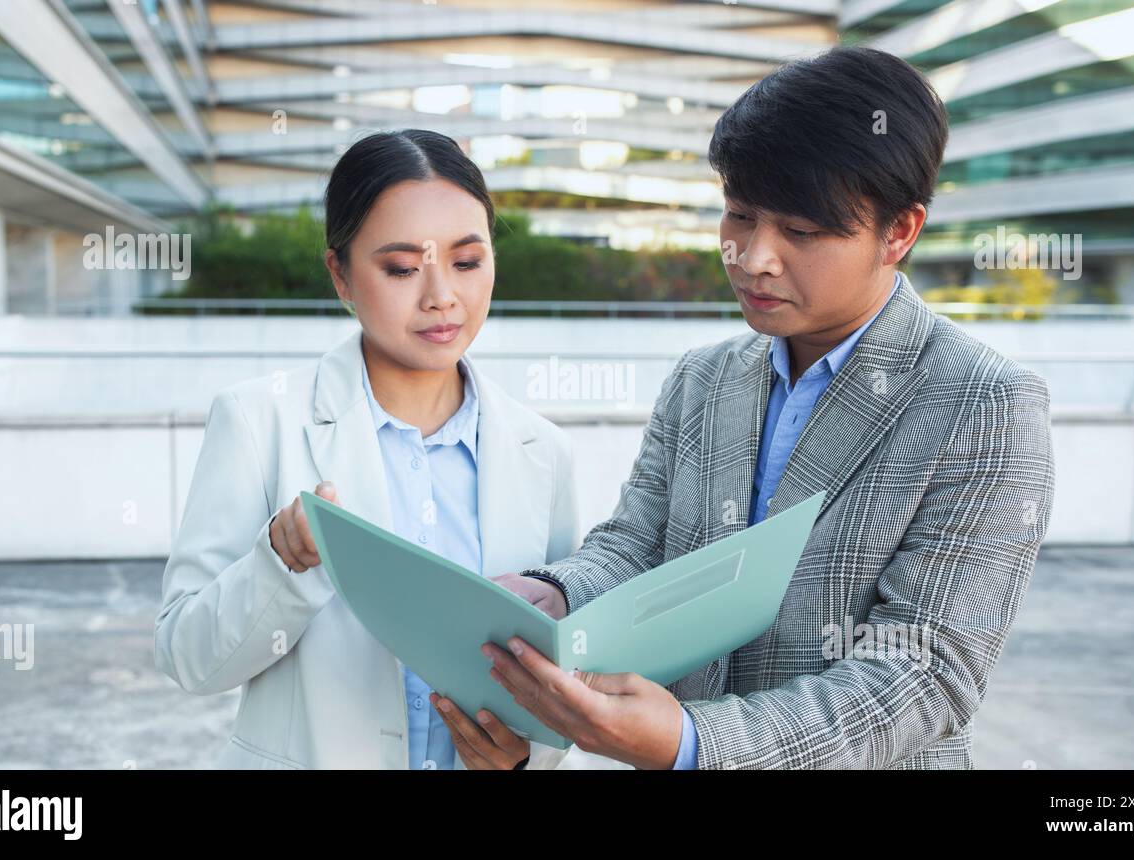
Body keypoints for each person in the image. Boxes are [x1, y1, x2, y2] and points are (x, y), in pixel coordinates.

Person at [464, 46, 1057, 769]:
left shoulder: (984, 403)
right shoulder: (705, 378)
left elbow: (926, 671)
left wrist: (693, 741)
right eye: (739, 215)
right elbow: (638, 544)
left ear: (898, 232)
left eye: (801, 232)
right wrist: (554, 596)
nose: (753, 256)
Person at [155, 129, 578, 770]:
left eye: (467, 262)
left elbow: (565, 671)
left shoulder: (543, 452)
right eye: (403, 268)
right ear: (341, 274)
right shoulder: (257, 420)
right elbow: (189, 657)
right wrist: (281, 562)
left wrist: (522, 760)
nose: (441, 296)